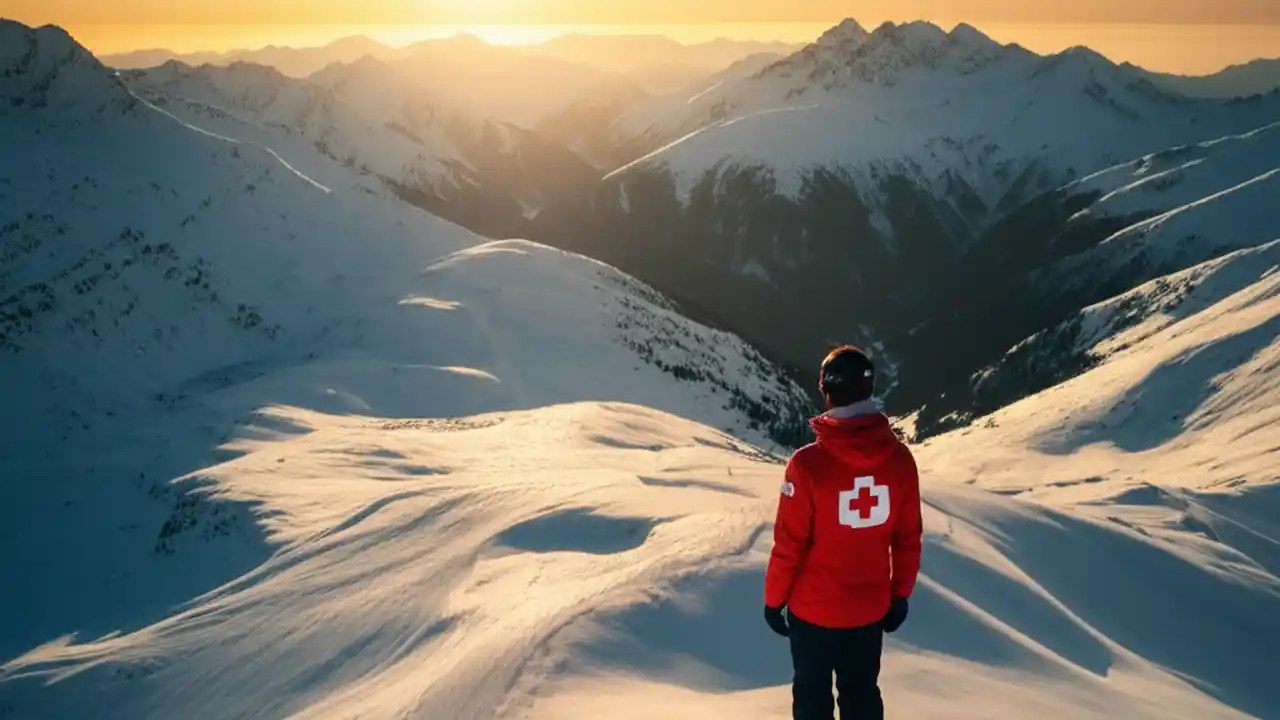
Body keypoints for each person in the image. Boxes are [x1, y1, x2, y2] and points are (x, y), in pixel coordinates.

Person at [763, 345, 923, 720]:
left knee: (812, 699)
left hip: (812, 610)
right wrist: (900, 594)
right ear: (869, 390)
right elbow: (908, 537)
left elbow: (789, 543)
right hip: (869, 609)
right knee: (862, 695)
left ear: (826, 391)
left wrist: (774, 600)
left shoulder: (807, 465)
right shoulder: (900, 460)